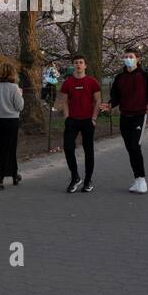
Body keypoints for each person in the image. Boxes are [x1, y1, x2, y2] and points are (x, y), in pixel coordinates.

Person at [101, 47, 148, 193]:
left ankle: (142, 180)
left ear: (138, 59)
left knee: (134, 146)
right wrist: (109, 105)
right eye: (125, 56)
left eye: (131, 56)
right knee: (131, 149)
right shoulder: (120, 78)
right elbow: (116, 96)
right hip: (124, 117)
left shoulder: (146, 77)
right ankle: (137, 179)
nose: (128, 59)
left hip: (139, 116)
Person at [58, 55, 101, 192]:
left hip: (88, 120)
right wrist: (67, 117)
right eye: (76, 63)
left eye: (81, 62)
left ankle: (88, 180)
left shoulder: (92, 82)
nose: (78, 65)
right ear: (73, 65)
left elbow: (97, 101)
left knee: (89, 151)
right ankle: (75, 177)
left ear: (85, 65)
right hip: (72, 120)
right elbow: (64, 101)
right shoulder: (68, 83)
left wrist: (94, 118)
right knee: (68, 147)